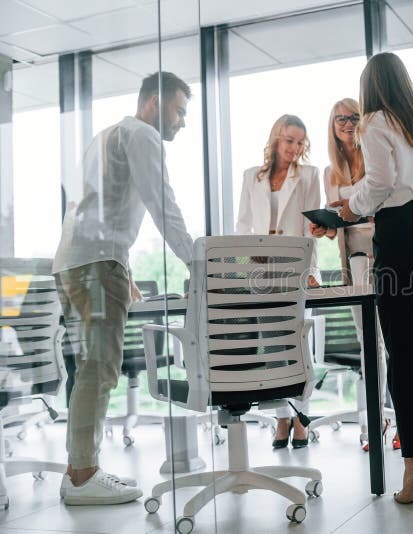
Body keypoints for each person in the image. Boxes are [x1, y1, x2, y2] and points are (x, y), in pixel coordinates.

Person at [53, 72, 194, 505]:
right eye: (180, 110)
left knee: (91, 367)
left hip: (77, 261)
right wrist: (199, 261)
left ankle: (81, 467)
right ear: (155, 101)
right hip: (95, 264)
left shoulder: (106, 135)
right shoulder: (142, 135)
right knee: (99, 368)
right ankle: (81, 475)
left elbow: (95, 205)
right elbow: (163, 205)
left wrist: (123, 265)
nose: (183, 121)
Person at [335, 52, 413, 507]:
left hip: (405, 234)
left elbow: (382, 182)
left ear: (370, 86)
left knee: (404, 351)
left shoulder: (375, 122)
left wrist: (348, 209)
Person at [310, 98, 399, 452]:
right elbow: (341, 220)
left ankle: (404, 420)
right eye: (340, 118)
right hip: (353, 259)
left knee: (395, 341)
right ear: (332, 125)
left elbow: (384, 199)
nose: (347, 123)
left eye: (353, 117)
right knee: (370, 344)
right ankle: (375, 420)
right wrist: (325, 228)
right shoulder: (329, 172)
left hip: (386, 251)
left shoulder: (375, 155)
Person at [236, 113, 321, 449]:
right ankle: (281, 419)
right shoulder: (251, 177)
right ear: (275, 138)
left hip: (292, 267)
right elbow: (242, 224)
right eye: (289, 140)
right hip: (259, 270)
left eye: (300, 142)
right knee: (272, 345)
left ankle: (301, 417)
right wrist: (245, 259)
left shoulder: (309, 176)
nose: (295, 148)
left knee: (296, 344)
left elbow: (310, 230)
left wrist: (311, 271)